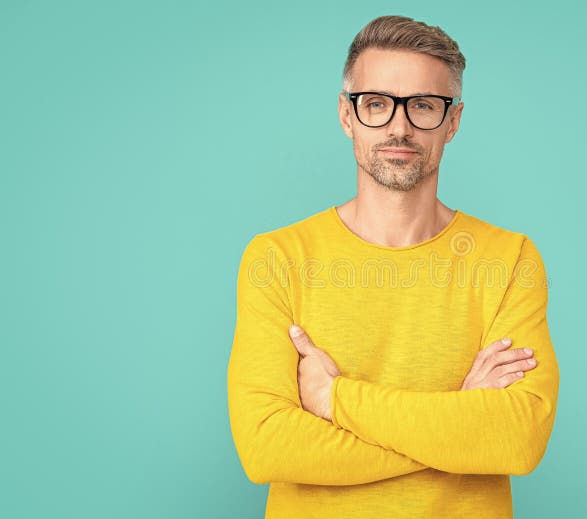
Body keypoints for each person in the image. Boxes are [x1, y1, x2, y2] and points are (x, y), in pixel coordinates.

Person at [227, 14, 559, 518]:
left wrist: (334, 399)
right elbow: (265, 447)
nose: (399, 127)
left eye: (424, 105)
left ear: (454, 121)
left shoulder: (509, 260)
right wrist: (457, 430)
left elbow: (516, 439)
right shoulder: (277, 259)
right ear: (346, 115)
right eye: (376, 104)